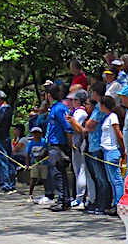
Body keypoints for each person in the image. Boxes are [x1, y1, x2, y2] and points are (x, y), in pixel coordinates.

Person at [44, 82, 74, 210]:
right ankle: (62, 198)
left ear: (48, 95)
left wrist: (69, 143)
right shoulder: (55, 108)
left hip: (58, 145)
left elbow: (67, 126)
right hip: (53, 144)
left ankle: (63, 199)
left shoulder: (60, 108)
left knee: (58, 173)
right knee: (57, 172)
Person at [83, 82, 111, 215]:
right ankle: (99, 202)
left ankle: (103, 203)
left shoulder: (100, 108)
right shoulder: (97, 108)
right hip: (93, 145)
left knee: (101, 177)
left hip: (98, 146)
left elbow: (89, 124)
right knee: (98, 177)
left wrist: (89, 125)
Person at [98, 95, 125, 214]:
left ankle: (119, 203)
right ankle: (115, 201)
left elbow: (118, 133)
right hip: (106, 150)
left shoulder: (113, 117)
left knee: (116, 179)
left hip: (111, 150)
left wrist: (123, 149)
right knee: (111, 179)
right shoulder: (108, 117)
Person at [66, 89, 89, 208]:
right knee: (77, 170)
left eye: (75, 99)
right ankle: (79, 196)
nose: (72, 102)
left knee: (80, 171)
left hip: (79, 144)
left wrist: (69, 121)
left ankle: (80, 198)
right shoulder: (75, 112)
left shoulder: (80, 112)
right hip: (75, 144)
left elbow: (76, 128)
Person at [25, 126, 50, 201]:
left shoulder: (44, 142)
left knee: (45, 178)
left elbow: (47, 151)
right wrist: (27, 164)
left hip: (44, 163)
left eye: (38, 133)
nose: (36, 135)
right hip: (34, 163)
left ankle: (47, 193)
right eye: (34, 133)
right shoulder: (31, 143)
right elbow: (27, 154)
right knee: (33, 178)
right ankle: (30, 194)